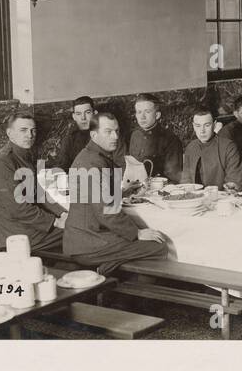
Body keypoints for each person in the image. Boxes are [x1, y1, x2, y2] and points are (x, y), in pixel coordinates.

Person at [65, 112, 169, 272]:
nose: (115, 136)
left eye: (117, 131)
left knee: (150, 244)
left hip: (85, 236)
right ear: (94, 135)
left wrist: (124, 192)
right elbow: (106, 211)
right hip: (90, 241)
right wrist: (137, 233)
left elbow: (99, 200)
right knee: (159, 246)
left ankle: (108, 269)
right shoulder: (92, 163)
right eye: (108, 132)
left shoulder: (92, 156)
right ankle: (106, 273)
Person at [0, 110, 67, 253]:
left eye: (33, 130)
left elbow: (39, 194)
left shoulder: (24, 155)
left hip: (30, 228)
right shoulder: (2, 162)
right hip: (18, 235)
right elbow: (19, 209)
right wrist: (55, 221)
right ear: (9, 133)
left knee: (80, 227)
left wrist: (63, 213)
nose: (30, 135)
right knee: (81, 233)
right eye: (23, 130)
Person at [182, 110, 242, 187]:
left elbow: (234, 180)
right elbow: (186, 179)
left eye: (207, 125)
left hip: (221, 196)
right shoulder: (191, 147)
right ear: (193, 126)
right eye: (198, 126)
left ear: (214, 125)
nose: (202, 131)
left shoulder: (229, 147)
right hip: (195, 196)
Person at [128, 93, 182, 180]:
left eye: (147, 112)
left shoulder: (170, 139)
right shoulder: (135, 135)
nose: (142, 117)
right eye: (139, 112)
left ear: (157, 115)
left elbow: (174, 175)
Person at [52, 96, 95, 171]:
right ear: (74, 117)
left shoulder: (105, 135)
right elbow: (62, 165)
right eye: (78, 114)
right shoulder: (69, 139)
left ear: (94, 113)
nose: (83, 118)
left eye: (87, 112)